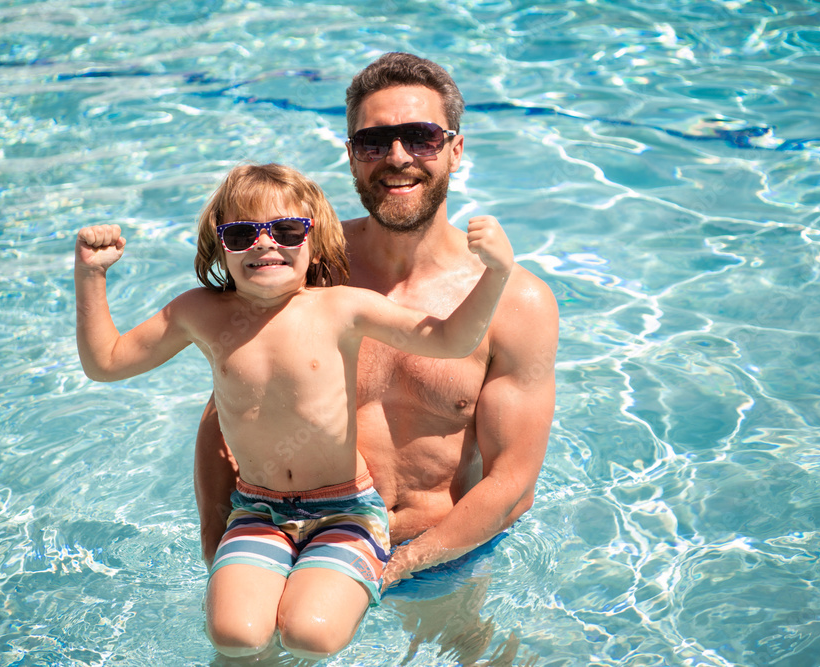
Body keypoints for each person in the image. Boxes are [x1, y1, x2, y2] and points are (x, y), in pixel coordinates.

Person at [75, 162, 514, 660]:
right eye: (241, 234)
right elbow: (106, 364)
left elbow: (450, 339)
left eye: (286, 230)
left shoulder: (342, 308)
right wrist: (91, 274)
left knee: (312, 634)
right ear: (219, 246)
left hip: (345, 510)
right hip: (258, 510)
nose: (265, 244)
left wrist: (496, 272)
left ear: (316, 241)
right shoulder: (198, 312)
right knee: (236, 636)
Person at [194, 53, 558, 603]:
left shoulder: (513, 301)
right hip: (294, 543)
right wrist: (216, 544)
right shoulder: (301, 263)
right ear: (351, 157)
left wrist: (398, 568)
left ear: (455, 150)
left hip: (441, 555)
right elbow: (225, 409)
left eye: (421, 137)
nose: (397, 158)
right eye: (373, 142)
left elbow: (513, 485)